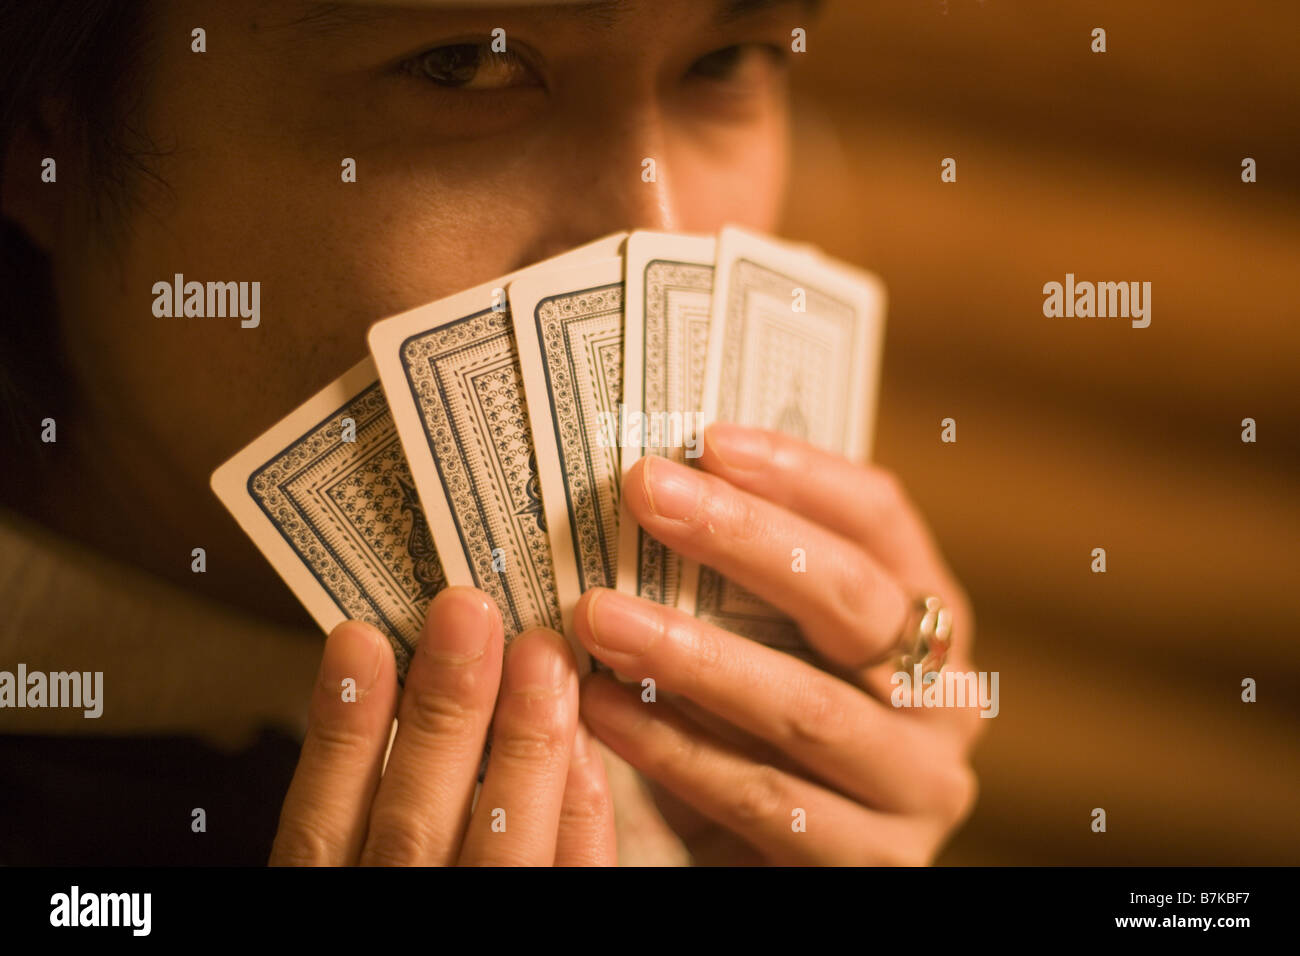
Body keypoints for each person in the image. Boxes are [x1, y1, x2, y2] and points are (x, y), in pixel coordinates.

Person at [0, 0, 983, 865]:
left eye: (726, 60)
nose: (658, 230)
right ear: (44, 133)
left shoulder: (709, 714)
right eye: (464, 60)